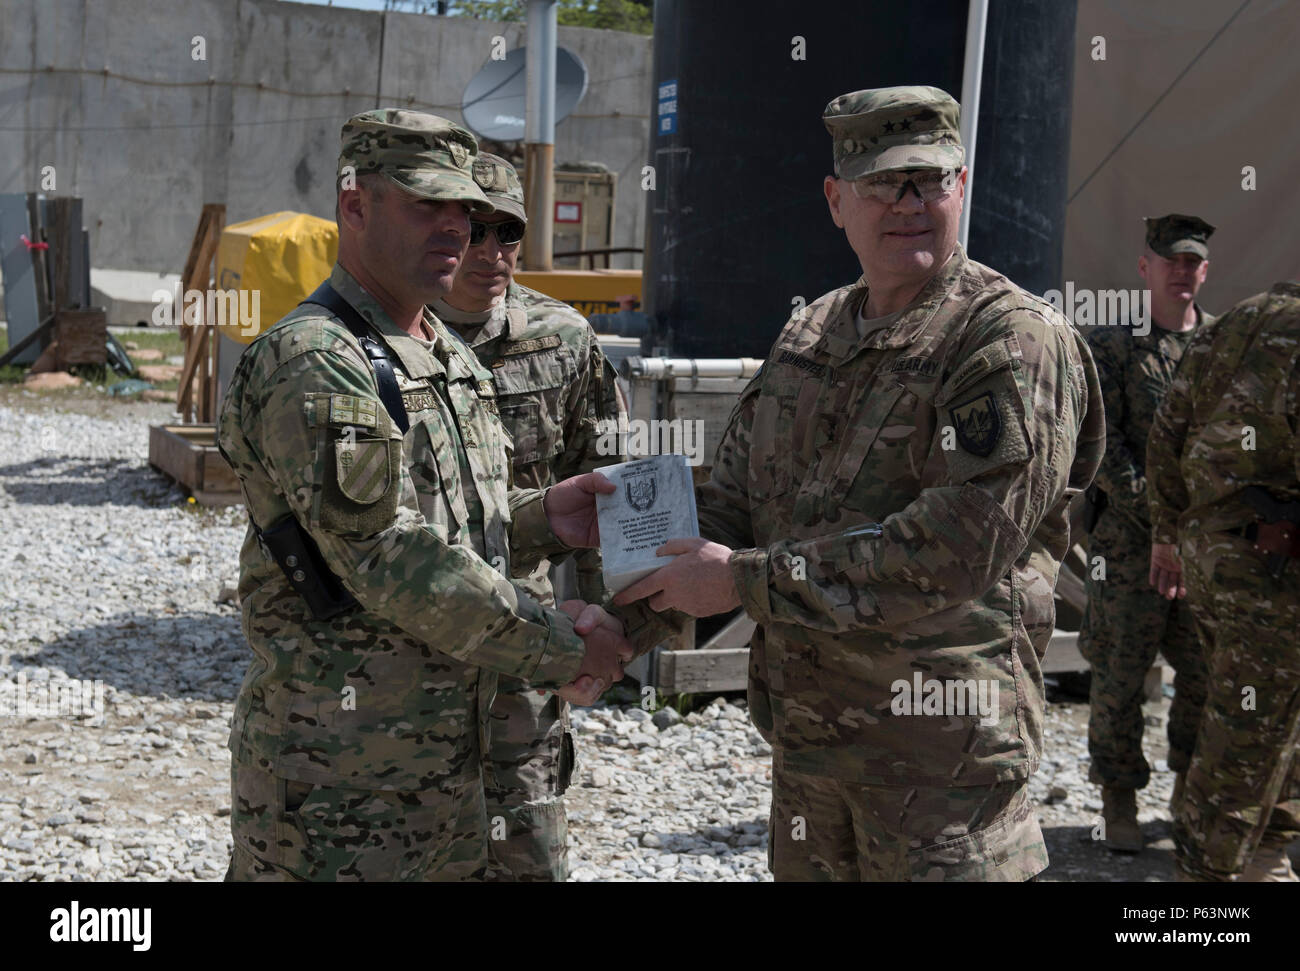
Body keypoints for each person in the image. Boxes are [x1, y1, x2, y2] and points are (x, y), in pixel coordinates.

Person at [614, 85, 1105, 881]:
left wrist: (741, 581)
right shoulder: (812, 330)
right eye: (883, 183)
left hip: (942, 775)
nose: (908, 203)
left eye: (930, 180)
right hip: (811, 758)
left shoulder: (1008, 337)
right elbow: (732, 500)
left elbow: (954, 549)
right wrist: (617, 615)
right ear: (837, 200)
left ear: (963, 186)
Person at [217, 109, 651, 881]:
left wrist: (545, 515)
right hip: (344, 790)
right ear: (355, 205)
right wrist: (561, 646)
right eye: (428, 205)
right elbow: (389, 554)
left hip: (452, 772)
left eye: (469, 212)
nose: (457, 227)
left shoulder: (440, 352)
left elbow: (453, 527)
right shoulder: (318, 360)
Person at [436, 152, 627, 881]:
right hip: (414, 653)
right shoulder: (386, 342)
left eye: (507, 232)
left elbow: (609, 494)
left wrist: (613, 626)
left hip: (526, 651)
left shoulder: (562, 341)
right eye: (473, 230)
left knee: (526, 850)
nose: (491, 252)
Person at [1147, 281, 1300, 882]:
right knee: (1246, 734)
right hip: (1273, 571)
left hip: (1211, 552)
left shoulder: (1237, 321)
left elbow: (1169, 425)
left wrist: (1168, 529)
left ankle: (1265, 858)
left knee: (1264, 716)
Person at [1078, 214, 1216, 852]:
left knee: (1207, 671)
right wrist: (1163, 527)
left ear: (1204, 271)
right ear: (1146, 268)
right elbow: (1106, 449)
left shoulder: (1223, 345)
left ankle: (1190, 790)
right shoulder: (1114, 344)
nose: (1182, 273)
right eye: (1171, 262)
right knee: (1118, 674)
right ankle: (1119, 800)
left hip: (1205, 550)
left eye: (1193, 263)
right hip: (1131, 547)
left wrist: (1193, 533)